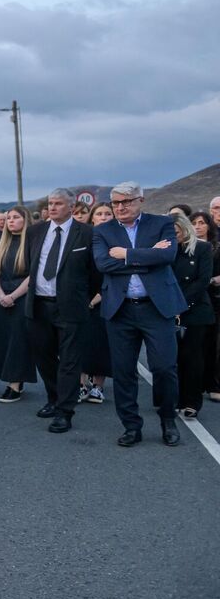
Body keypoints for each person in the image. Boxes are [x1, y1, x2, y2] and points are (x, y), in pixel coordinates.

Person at [92, 182, 187, 447]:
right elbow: (103, 263)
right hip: (120, 310)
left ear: (141, 200)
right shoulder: (103, 231)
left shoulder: (161, 224)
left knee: (165, 368)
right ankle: (131, 426)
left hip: (156, 309)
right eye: (116, 203)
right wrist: (147, 257)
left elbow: (167, 255)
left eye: (127, 201)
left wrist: (127, 255)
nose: (120, 207)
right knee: (123, 372)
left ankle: (168, 420)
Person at [24, 188, 97, 433]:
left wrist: (82, 298)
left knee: (69, 361)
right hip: (39, 305)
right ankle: (53, 398)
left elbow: (95, 273)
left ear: (71, 206)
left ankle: (65, 411)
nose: (52, 208)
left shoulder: (86, 234)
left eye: (58, 203)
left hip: (71, 308)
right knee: (43, 357)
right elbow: (31, 265)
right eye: (50, 203)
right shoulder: (35, 232)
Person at [0, 206, 36, 402]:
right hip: (1, 297)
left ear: (26, 220)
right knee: (3, 339)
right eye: (8, 218)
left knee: (19, 341)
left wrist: (13, 296)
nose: (11, 221)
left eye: (16, 217)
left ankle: (15, 383)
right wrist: (1, 295)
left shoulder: (33, 243)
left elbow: (33, 275)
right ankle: (10, 378)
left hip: (22, 297)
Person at [171, 212, 213, 418]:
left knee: (193, 357)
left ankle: (192, 402)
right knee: (172, 357)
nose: (175, 236)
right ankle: (174, 399)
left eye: (178, 232)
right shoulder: (167, 250)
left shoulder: (203, 248)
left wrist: (182, 304)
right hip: (169, 310)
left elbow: (203, 280)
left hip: (195, 310)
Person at [80, 203, 116, 404]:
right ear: (92, 217)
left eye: (107, 214)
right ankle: (81, 385)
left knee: (102, 344)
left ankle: (98, 387)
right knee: (80, 343)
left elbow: (115, 274)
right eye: (99, 213)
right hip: (81, 298)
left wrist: (95, 300)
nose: (103, 217)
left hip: (107, 298)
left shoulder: (118, 241)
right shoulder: (83, 239)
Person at [196, 210, 220, 403]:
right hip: (195, 298)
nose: (198, 226)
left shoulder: (216, 247)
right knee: (197, 345)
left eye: (202, 223)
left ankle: (214, 384)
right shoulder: (184, 247)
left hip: (216, 299)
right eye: (194, 223)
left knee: (215, 344)